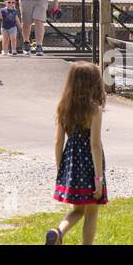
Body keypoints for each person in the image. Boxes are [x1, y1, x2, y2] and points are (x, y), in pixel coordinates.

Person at [46, 62, 108, 245]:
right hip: (90, 165)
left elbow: (58, 141)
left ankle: (58, 232)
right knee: (91, 211)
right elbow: (95, 144)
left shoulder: (63, 106)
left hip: (72, 164)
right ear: (93, 83)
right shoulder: (94, 109)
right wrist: (98, 178)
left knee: (77, 210)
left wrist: (61, 168)